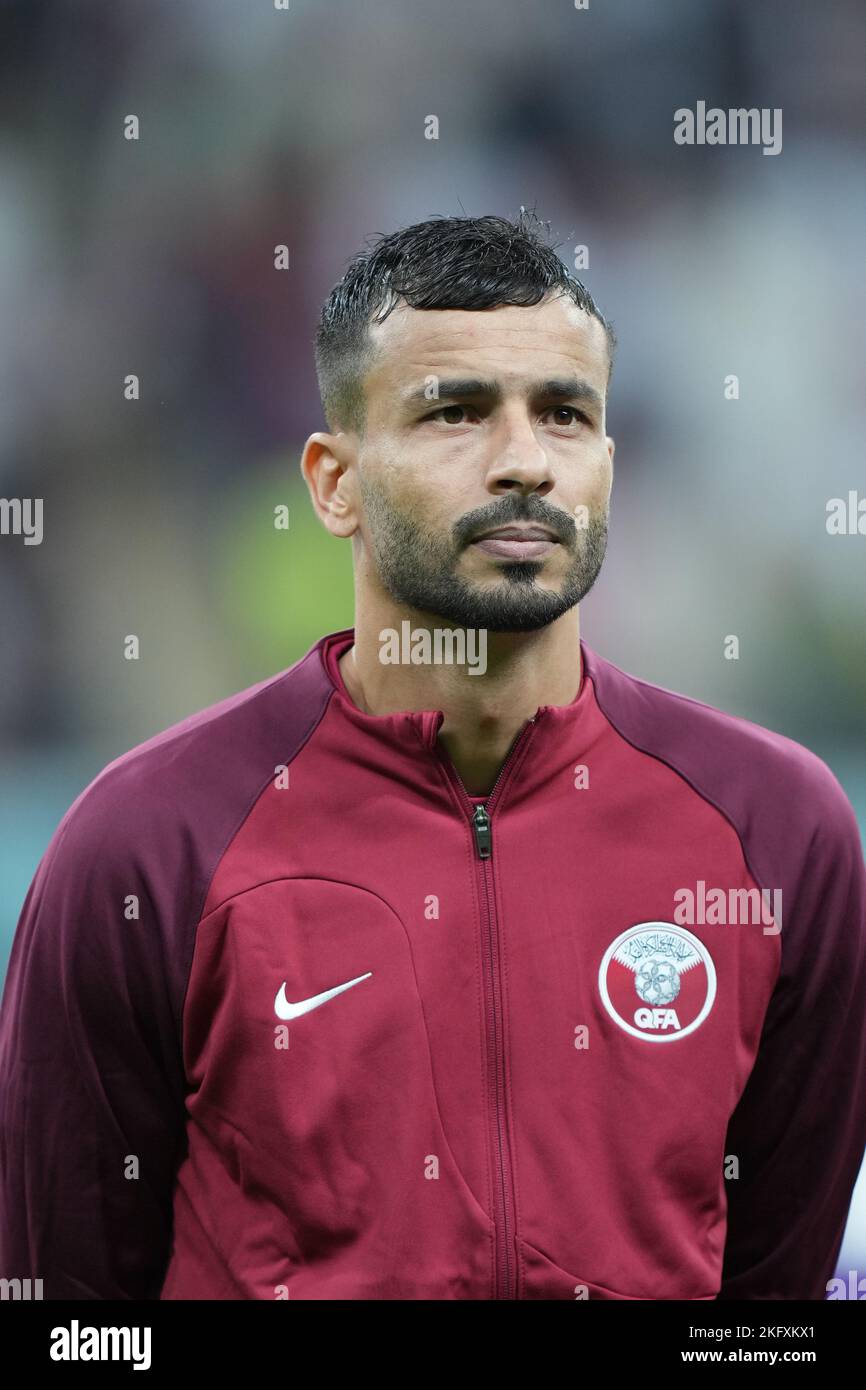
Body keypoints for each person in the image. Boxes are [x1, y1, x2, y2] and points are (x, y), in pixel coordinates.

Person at [1, 211, 864, 1301]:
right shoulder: (146, 846)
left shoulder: (775, 833)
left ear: (606, 463)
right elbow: (63, 1307)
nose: (522, 462)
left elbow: (772, 1308)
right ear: (332, 482)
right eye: (454, 412)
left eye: (563, 414)